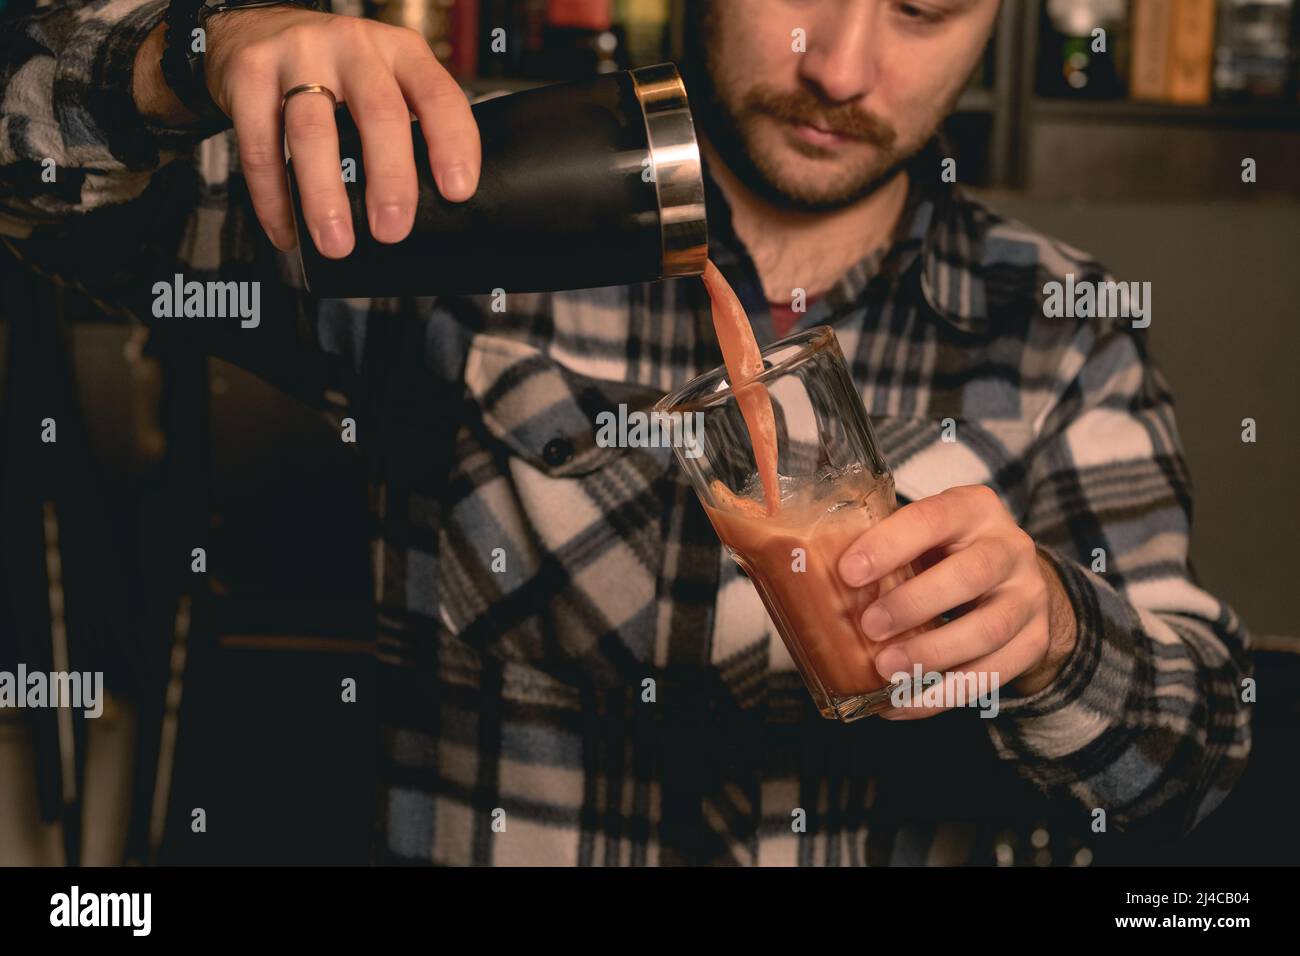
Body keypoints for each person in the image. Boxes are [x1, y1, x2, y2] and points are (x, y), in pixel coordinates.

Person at [0, 0, 1251, 866]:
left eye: (923, 12)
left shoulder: (1054, 329)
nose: (842, 67)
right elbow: (40, 202)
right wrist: (198, 49)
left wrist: (1050, 636)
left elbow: (1196, 767)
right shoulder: (454, 213)